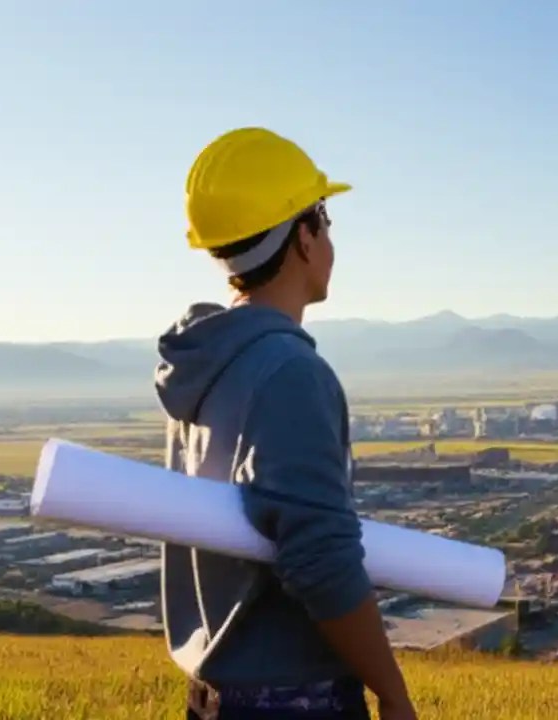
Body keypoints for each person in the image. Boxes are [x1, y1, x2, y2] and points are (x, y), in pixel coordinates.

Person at [153, 127, 417, 719]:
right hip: (290, 702)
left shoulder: (208, 366)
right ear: (304, 236)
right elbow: (320, 561)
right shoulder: (289, 373)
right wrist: (394, 696)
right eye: (325, 218)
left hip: (215, 698)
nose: (330, 239)